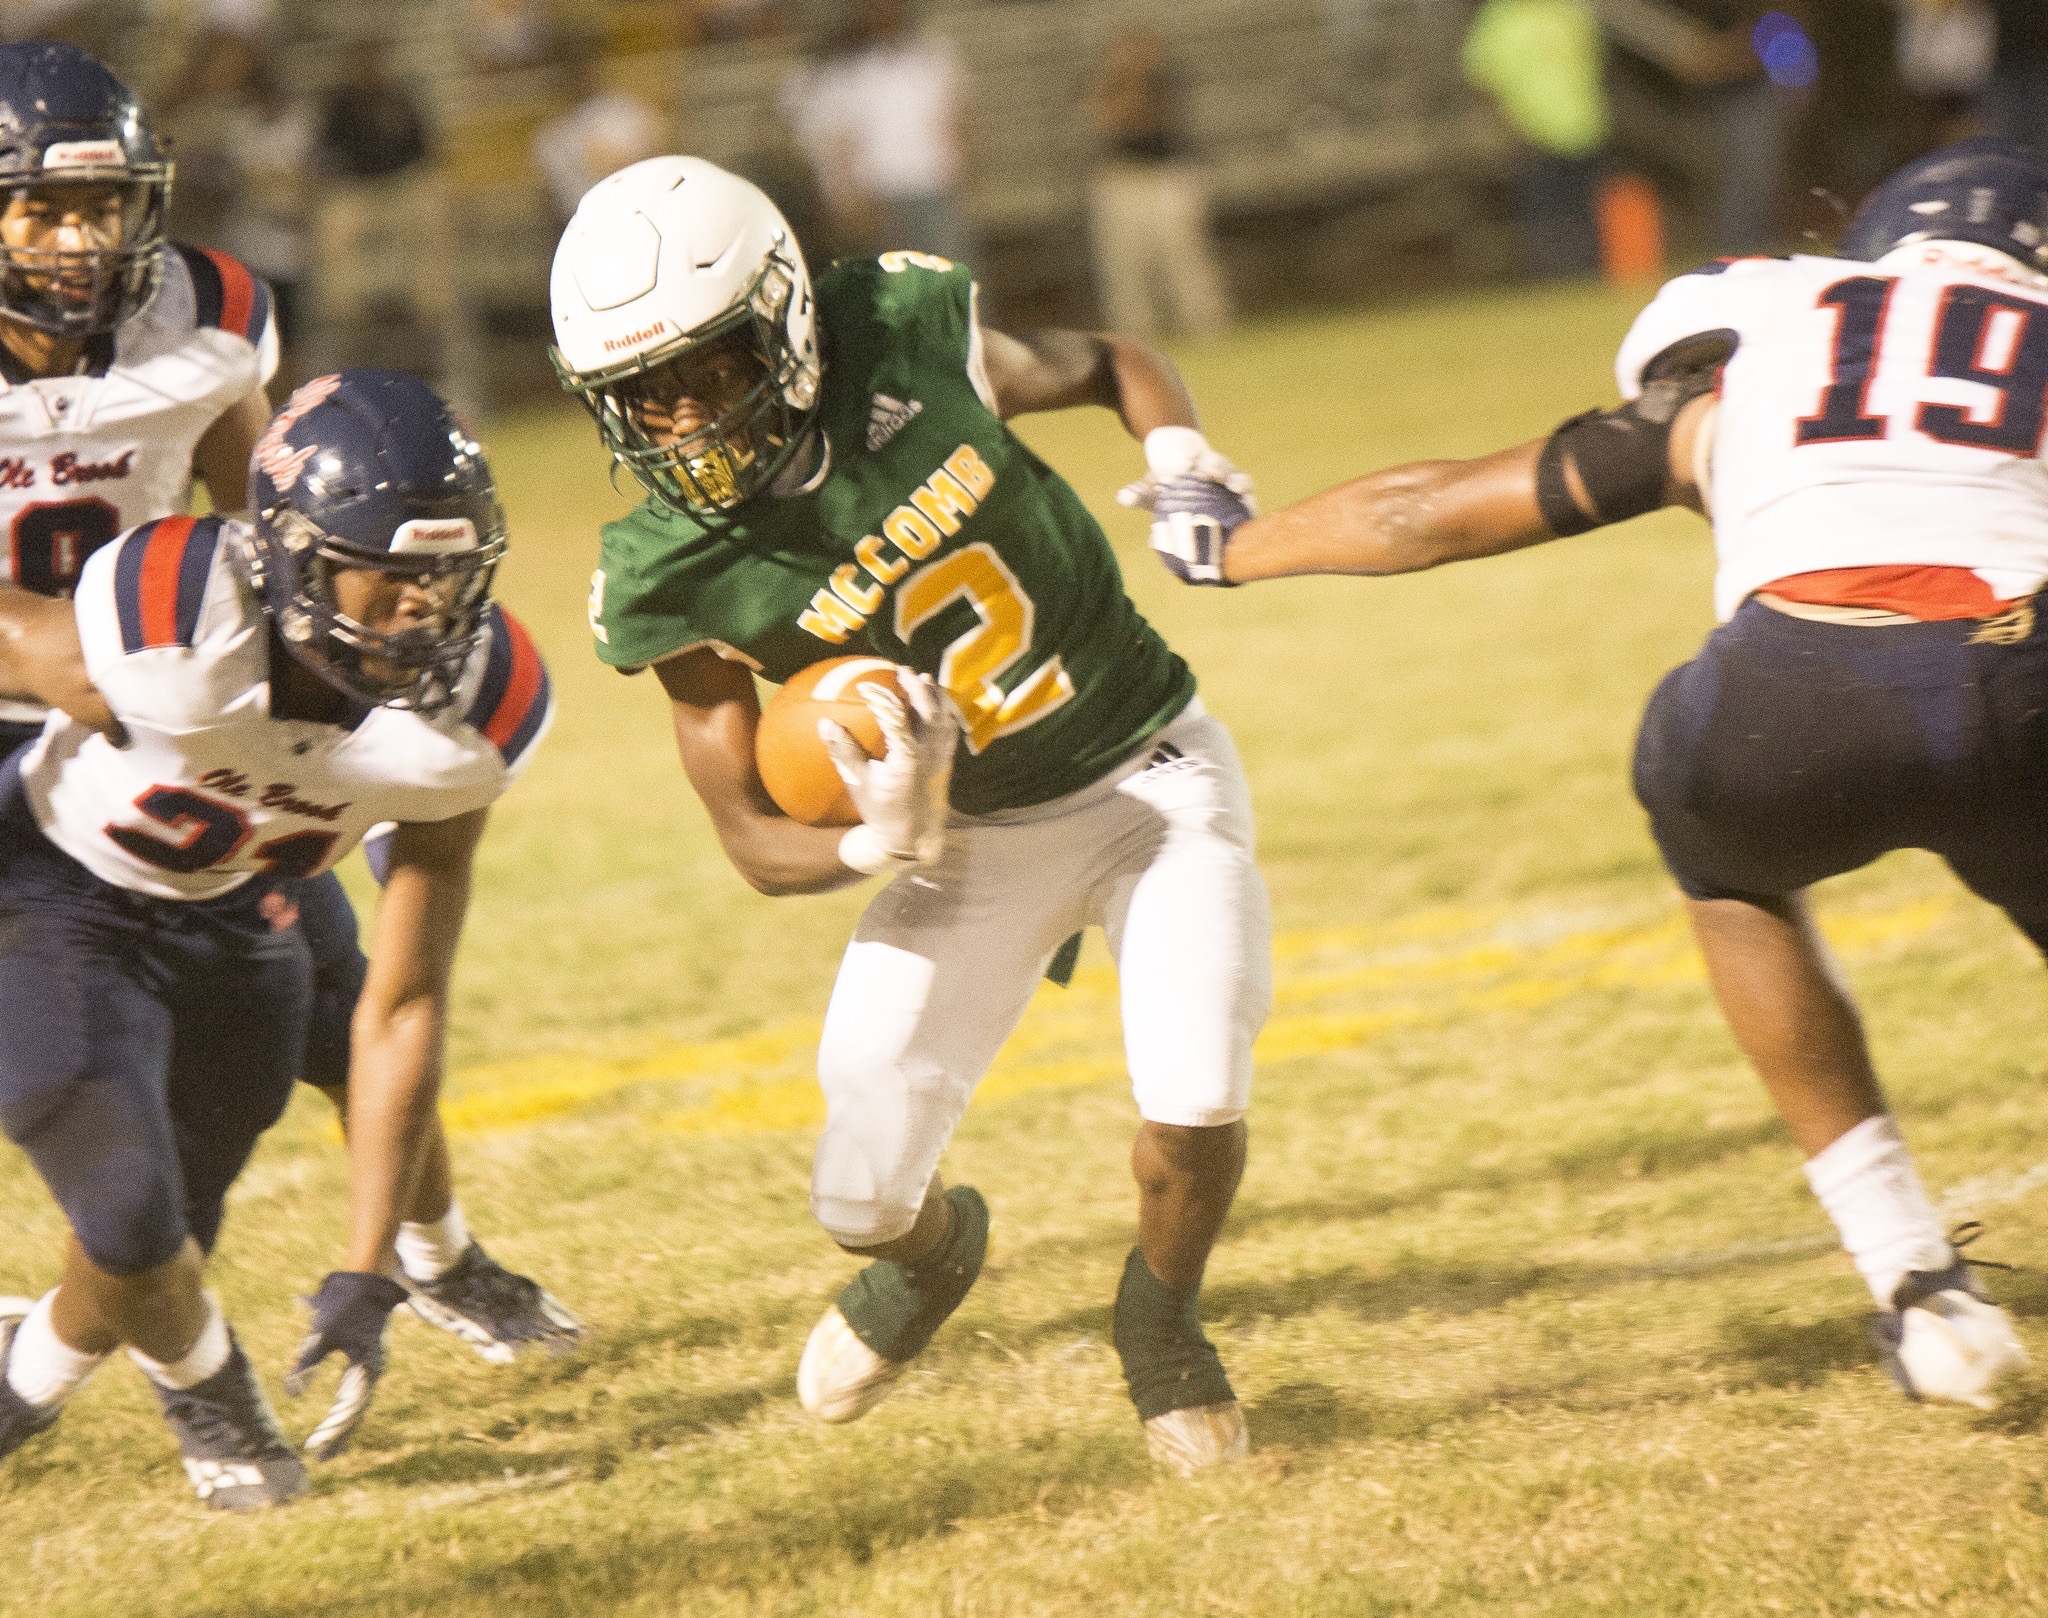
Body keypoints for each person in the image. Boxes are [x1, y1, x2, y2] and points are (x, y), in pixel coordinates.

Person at [1147, 137, 2048, 1411]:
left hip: (1787, 692)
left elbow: (1436, 509)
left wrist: (1230, 549)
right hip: (2020, 670)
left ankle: (1912, 1281)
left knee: (1727, 865)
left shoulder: (1772, 330)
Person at [549, 157, 1271, 1473]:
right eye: (639, 395)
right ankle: (937, 1259)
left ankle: (1161, 1315)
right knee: (859, 1188)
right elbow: (749, 839)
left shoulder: (908, 337)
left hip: (1145, 772)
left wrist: (1177, 452)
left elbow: (1113, 359)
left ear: (784, 322)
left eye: (706, 368)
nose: (681, 419)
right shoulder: (668, 565)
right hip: (968, 838)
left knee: (1198, 1085)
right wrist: (872, 844)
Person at [0, 38, 577, 1384]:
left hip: (152, 704)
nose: (84, 240)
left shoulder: (204, 319)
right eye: (46, 205)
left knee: (338, 992)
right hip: (29, 708)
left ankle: (431, 1252)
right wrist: (32, 647)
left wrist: (310, 721)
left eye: (106, 203)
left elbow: (256, 499)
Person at [0, 368, 554, 1505]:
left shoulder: (466, 721)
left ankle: (24, 1379)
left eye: (448, 579)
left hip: (241, 925)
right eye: (392, 577)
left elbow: (400, 1007)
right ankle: (210, 1397)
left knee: (155, 1241)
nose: (424, 614)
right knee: (133, 1216)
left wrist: (366, 1264)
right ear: (295, 555)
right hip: (52, 889)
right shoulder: (173, 626)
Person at [779, 0, 970, 264]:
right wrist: (848, 195)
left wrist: (963, 178)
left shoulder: (930, 55)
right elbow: (837, 139)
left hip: (932, 187)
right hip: (880, 194)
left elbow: (954, 121)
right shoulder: (847, 69)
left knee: (952, 281)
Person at [1084, 25, 1232, 339]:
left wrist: (1138, 87)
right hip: (1124, 178)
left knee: (1184, 260)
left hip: (1167, 175)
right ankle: (1138, 337)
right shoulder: (1110, 86)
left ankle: (1207, 329)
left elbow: (1154, 119)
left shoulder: (1165, 82)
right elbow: (1108, 121)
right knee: (1126, 269)